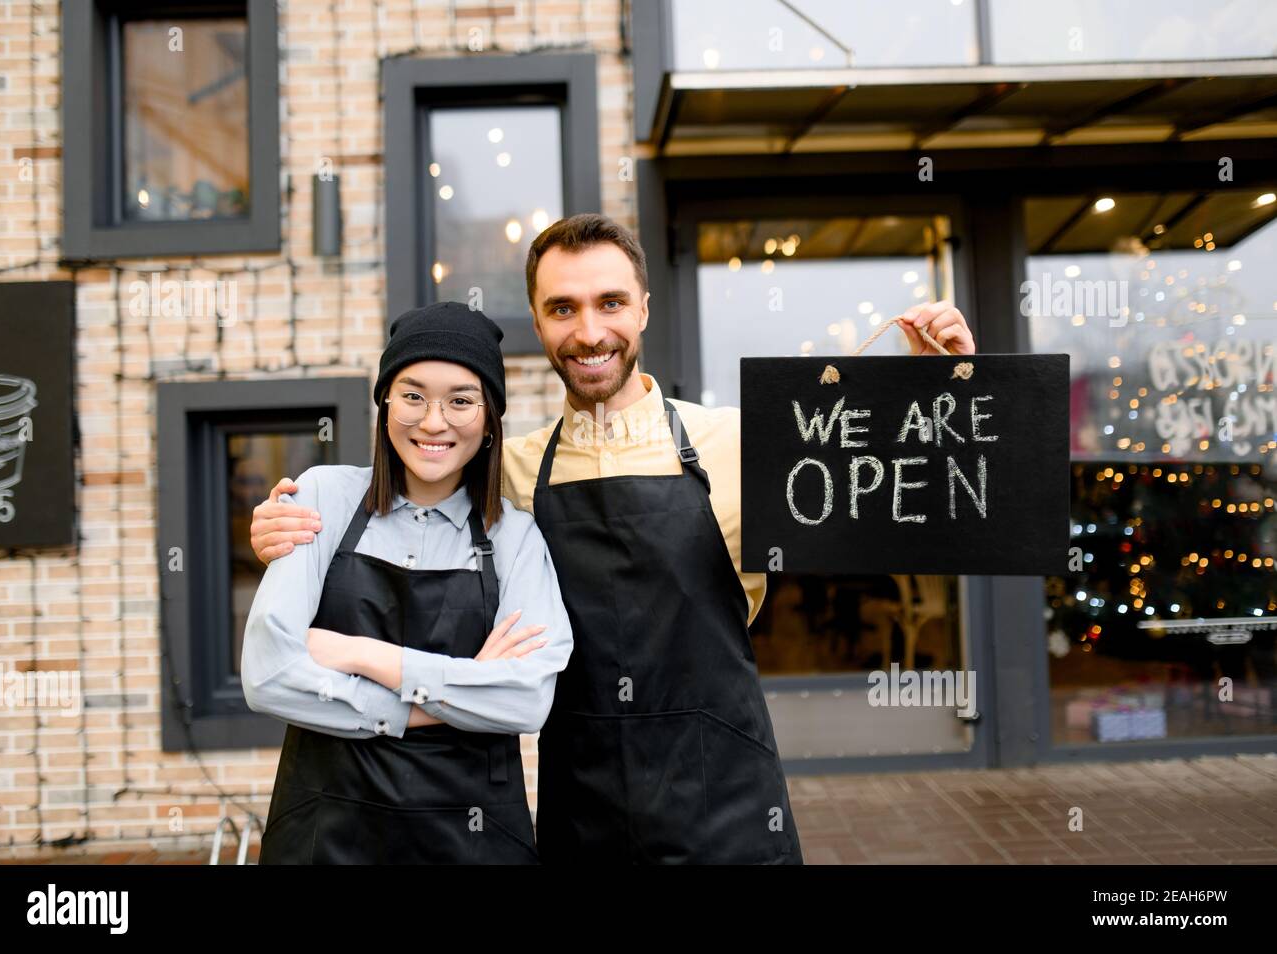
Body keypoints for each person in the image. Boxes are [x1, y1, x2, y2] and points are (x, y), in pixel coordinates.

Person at [250, 213, 976, 864]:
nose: (590, 331)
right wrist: (285, 527)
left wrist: (943, 392)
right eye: (562, 308)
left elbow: (901, 505)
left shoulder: (740, 442)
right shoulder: (508, 471)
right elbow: (407, 490)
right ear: (538, 323)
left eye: (610, 304)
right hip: (583, 815)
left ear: (644, 309)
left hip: (727, 810)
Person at [241, 302, 573, 864]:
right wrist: (441, 699)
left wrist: (360, 653)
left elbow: (525, 699)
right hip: (326, 835)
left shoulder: (515, 538)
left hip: (473, 841)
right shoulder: (322, 498)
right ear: (385, 403)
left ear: (490, 418)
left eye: (461, 400)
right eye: (413, 394)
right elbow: (268, 674)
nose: (434, 421)